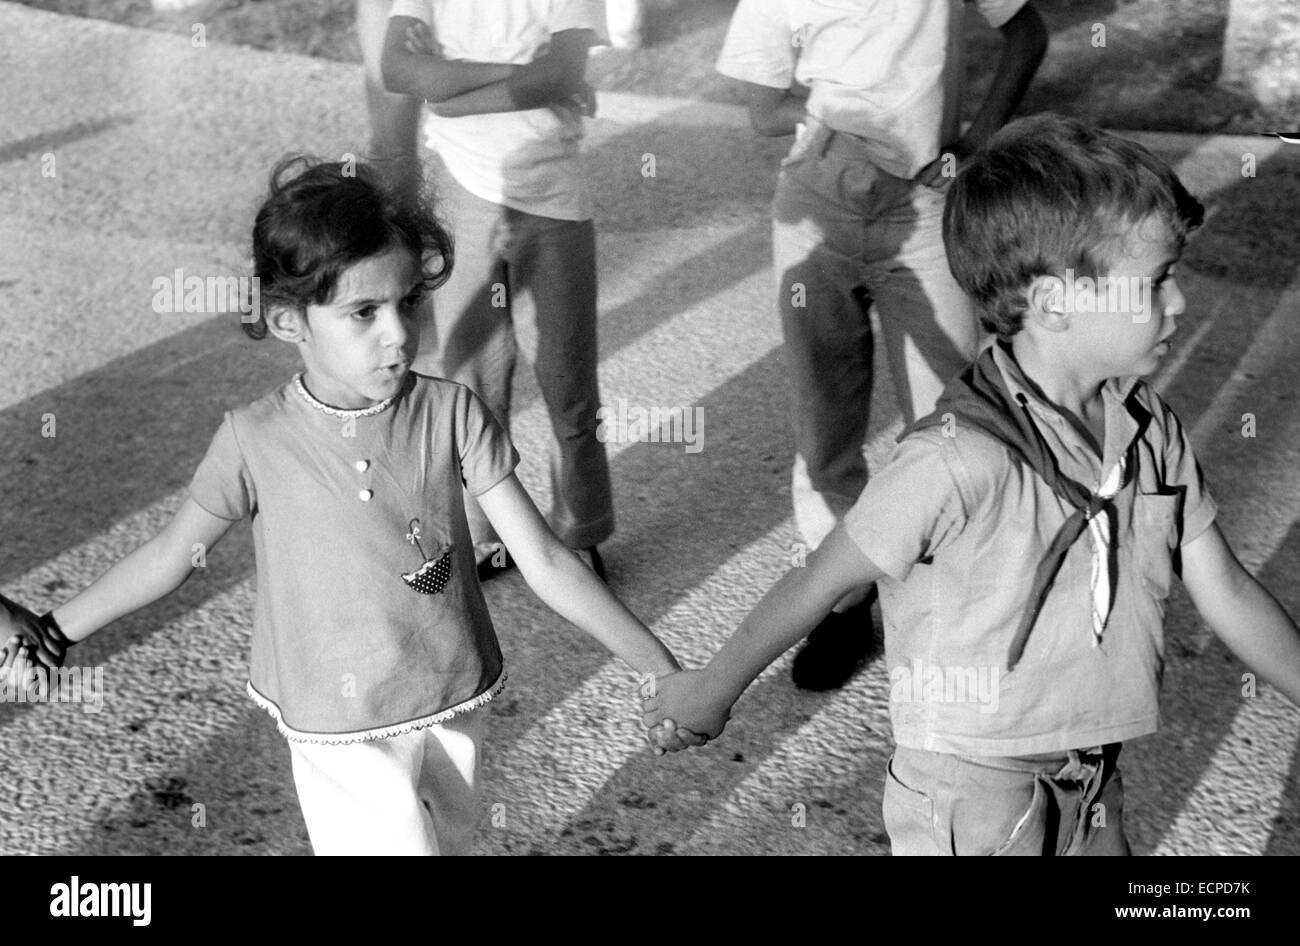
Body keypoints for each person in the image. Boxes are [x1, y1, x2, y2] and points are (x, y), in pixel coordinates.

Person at [642, 115, 1300, 854]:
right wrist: (710, 691)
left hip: (1090, 768)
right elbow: (821, 582)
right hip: (971, 789)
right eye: (1156, 283)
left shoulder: (1149, 429)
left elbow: (1229, 592)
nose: (1179, 303)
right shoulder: (955, 459)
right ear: (1054, 303)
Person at [0, 156, 689, 855]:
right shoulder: (254, 438)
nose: (398, 333)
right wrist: (55, 631)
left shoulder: (451, 413)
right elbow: (173, 555)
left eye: (408, 303)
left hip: (453, 692)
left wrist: (660, 668)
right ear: (288, 320)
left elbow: (543, 557)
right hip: (339, 719)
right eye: (363, 312)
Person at [715, 0, 1047, 690]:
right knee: (825, 416)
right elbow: (760, 106)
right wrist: (827, 119)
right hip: (817, 215)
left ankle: (953, 609)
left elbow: (1026, 31)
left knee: (955, 424)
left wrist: (980, 139)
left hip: (925, 215)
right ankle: (845, 602)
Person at [379, 0, 613, 584]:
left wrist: (449, 90)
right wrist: (522, 78)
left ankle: (579, 532)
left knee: (567, 376)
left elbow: (558, 74)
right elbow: (399, 71)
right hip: (463, 188)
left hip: (552, 194)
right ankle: (486, 537)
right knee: (471, 377)